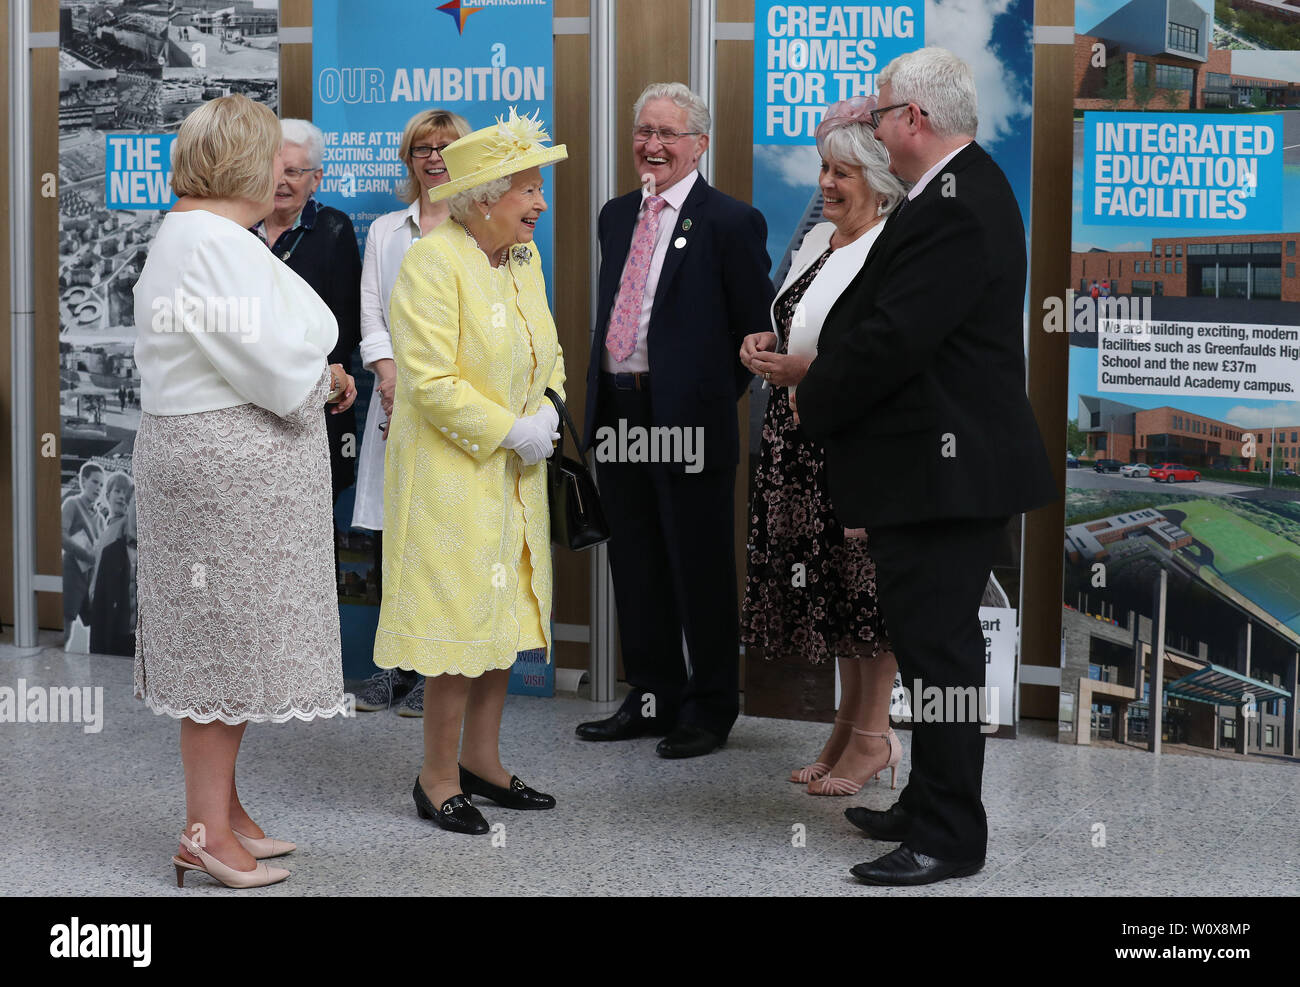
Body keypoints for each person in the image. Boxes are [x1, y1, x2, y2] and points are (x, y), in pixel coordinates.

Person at [795, 48, 1056, 886]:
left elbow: (894, 339)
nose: (870, 124)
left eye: (879, 112)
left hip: (948, 475)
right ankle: (926, 803)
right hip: (935, 472)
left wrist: (815, 393)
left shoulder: (954, 201)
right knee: (927, 652)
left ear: (914, 120)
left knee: (942, 661)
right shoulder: (951, 189)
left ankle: (948, 835)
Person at [132, 94, 357, 889]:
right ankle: (203, 830)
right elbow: (267, 362)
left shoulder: (199, 234)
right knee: (224, 645)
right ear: (244, 165)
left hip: (215, 465)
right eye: (275, 160)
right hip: (226, 470)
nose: (284, 173)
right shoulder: (211, 244)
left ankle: (223, 812)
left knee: (228, 636)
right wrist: (322, 377)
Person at [373, 109, 567, 835]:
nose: (540, 204)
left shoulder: (522, 260)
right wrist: (511, 430)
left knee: (502, 619)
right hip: (451, 477)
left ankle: (483, 761)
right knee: (456, 628)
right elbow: (427, 381)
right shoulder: (433, 259)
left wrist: (547, 409)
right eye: (529, 190)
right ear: (484, 195)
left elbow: (547, 350)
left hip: (516, 476)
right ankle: (437, 775)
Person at [575, 82, 774, 759]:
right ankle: (652, 696)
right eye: (643, 131)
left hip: (688, 420)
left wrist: (708, 397)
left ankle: (710, 708)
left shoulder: (730, 221)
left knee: (698, 566)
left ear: (700, 144)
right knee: (635, 564)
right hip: (619, 409)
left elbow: (758, 333)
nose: (652, 145)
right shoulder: (614, 215)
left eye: (668, 134)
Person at [739, 97, 904, 795]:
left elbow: (885, 354)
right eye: (823, 170)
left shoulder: (892, 247)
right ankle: (846, 726)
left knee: (868, 592)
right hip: (795, 443)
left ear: (879, 178)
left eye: (842, 172)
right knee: (834, 591)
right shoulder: (818, 238)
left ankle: (874, 737)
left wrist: (811, 369)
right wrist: (767, 341)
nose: (827, 184)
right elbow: (799, 316)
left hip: (853, 440)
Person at [351, 108, 472, 717]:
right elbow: (371, 311)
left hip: (452, 407)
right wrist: (389, 375)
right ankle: (394, 670)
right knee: (394, 538)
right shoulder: (385, 231)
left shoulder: (478, 226)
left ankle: (437, 672)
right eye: (422, 147)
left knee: (441, 537)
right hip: (392, 403)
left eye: (446, 147)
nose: (433, 158)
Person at [253, 118, 362, 503]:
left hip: (315, 395)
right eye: (275, 170)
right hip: (249, 396)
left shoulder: (333, 228)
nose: (281, 181)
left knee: (313, 513)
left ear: (316, 179)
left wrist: (311, 379)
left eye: (294, 172)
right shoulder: (241, 229)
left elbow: (347, 324)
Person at [61, 462, 104, 637]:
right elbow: (60, 536)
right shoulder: (72, 504)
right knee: (66, 631)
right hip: (72, 574)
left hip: (91, 580)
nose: (98, 488)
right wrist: (87, 555)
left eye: (101, 485)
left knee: (97, 629)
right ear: (83, 481)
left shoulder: (100, 518)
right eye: (95, 482)